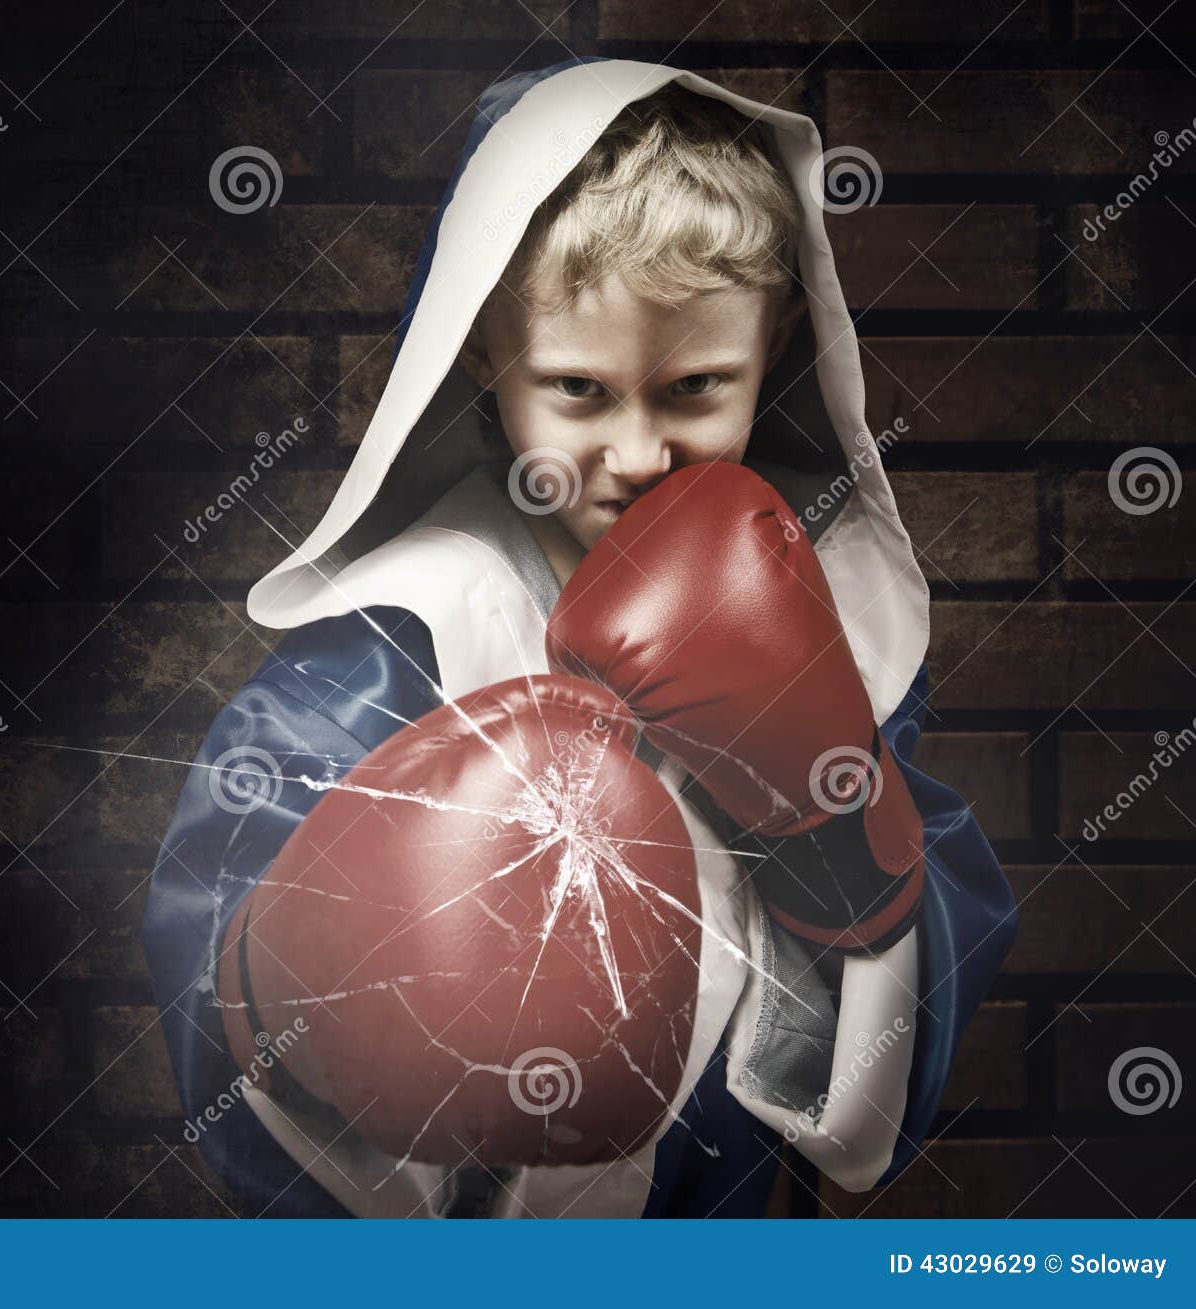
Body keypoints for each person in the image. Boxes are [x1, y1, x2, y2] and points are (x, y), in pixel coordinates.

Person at [144, 58, 1018, 1218]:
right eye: (577, 389)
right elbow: (220, 969)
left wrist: (843, 855)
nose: (639, 451)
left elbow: (921, 985)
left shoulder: (829, 619)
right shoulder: (389, 653)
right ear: (477, 356)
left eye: (699, 385)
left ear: (779, 344)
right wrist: (343, 1008)